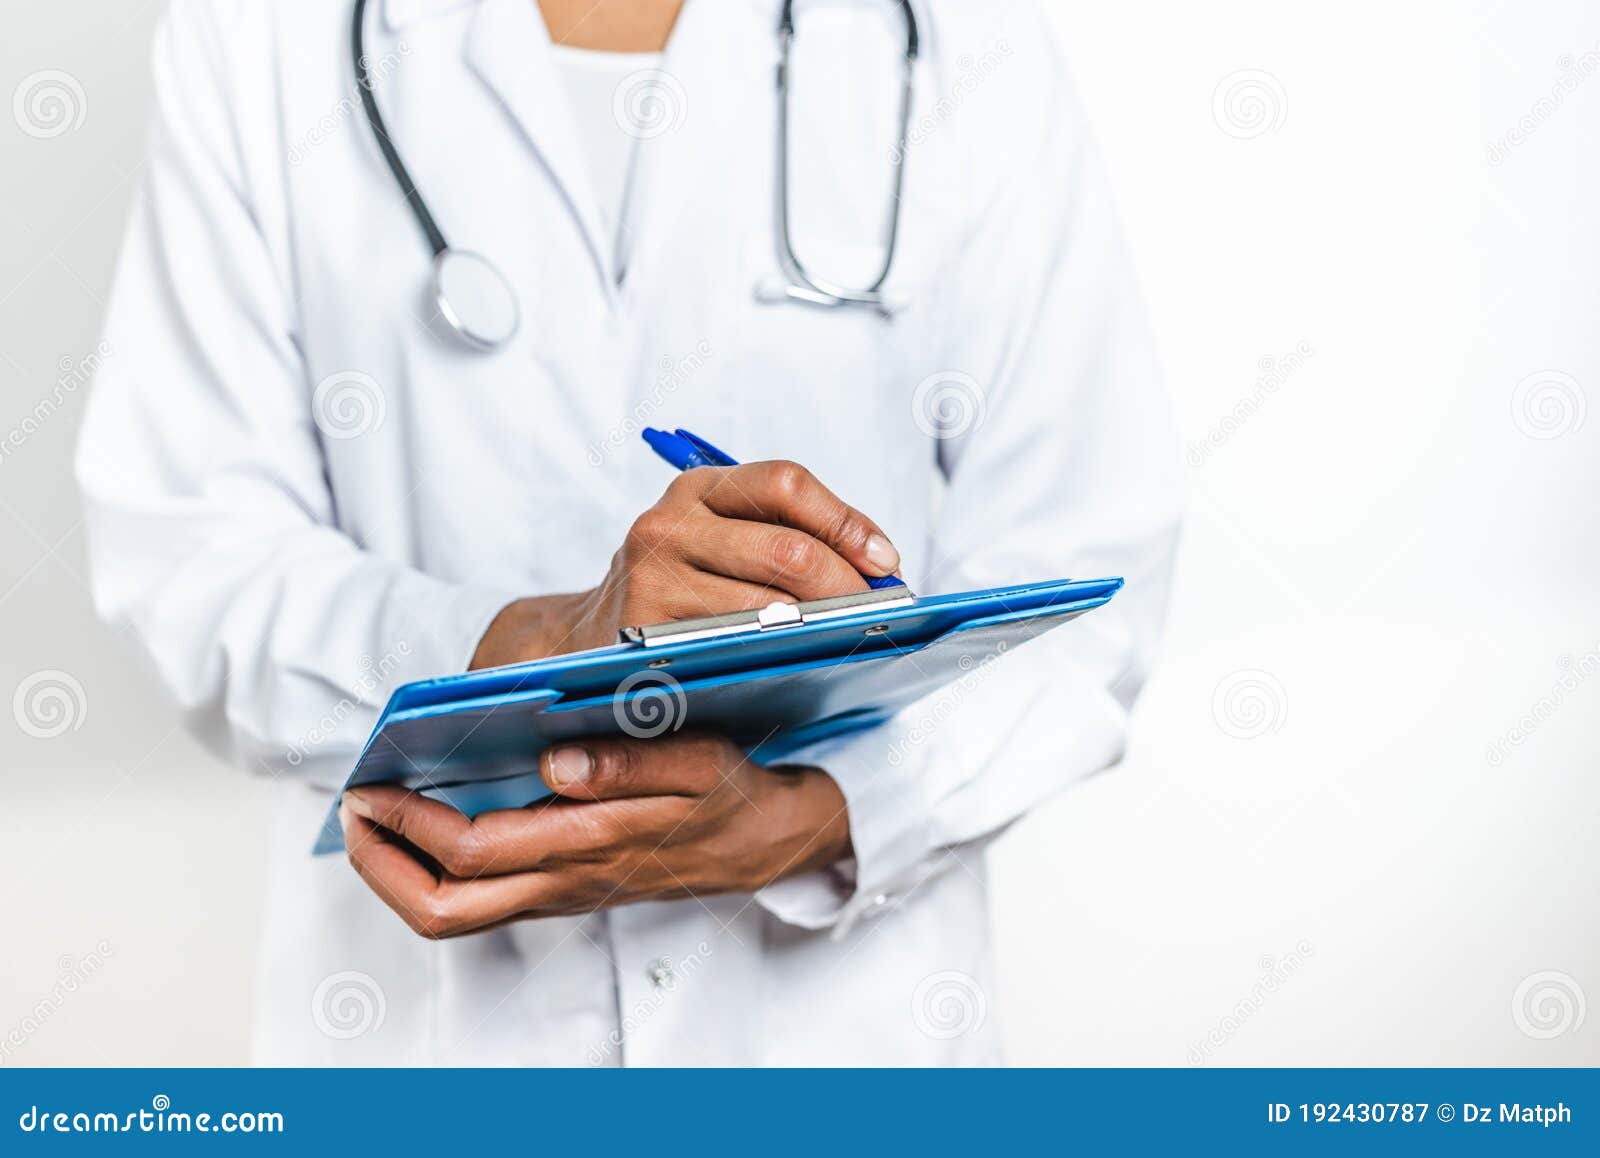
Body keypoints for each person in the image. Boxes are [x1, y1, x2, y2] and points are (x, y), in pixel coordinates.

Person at [77, 0, 1182, 1065]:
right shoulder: (260, 33)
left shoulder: (957, 38)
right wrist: (540, 639)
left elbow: (1089, 562)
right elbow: (187, 561)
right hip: (431, 1045)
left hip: (845, 1048)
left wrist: (836, 812)